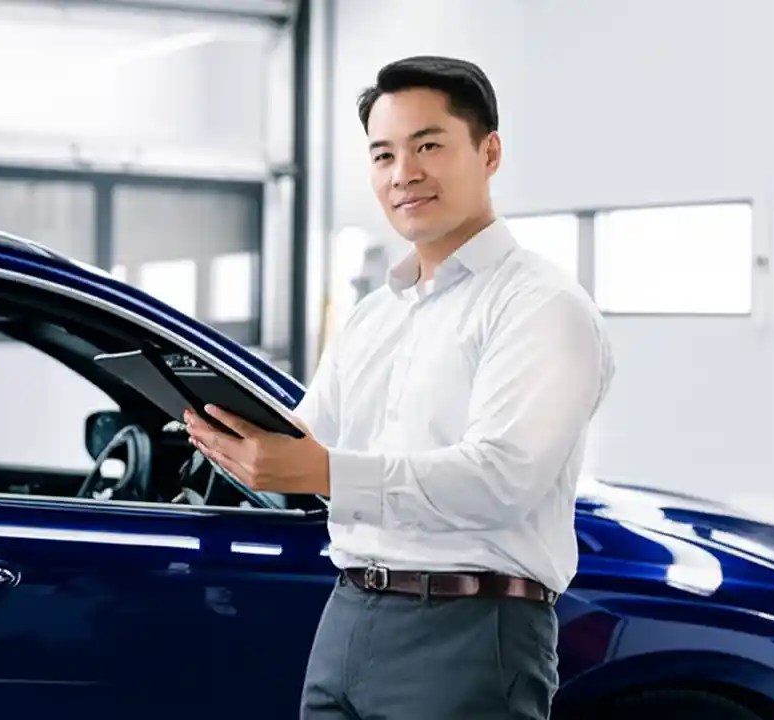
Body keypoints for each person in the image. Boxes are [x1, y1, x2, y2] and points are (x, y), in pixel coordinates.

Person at [183, 55, 614, 719]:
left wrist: (323, 469)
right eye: (382, 155)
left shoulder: (540, 304)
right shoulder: (375, 313)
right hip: (348, 613)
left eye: (428, 146)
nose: (402, 174)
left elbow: (502, 479)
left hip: (471, 630)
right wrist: (231, 434)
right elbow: (311, 438)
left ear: (489, 151)